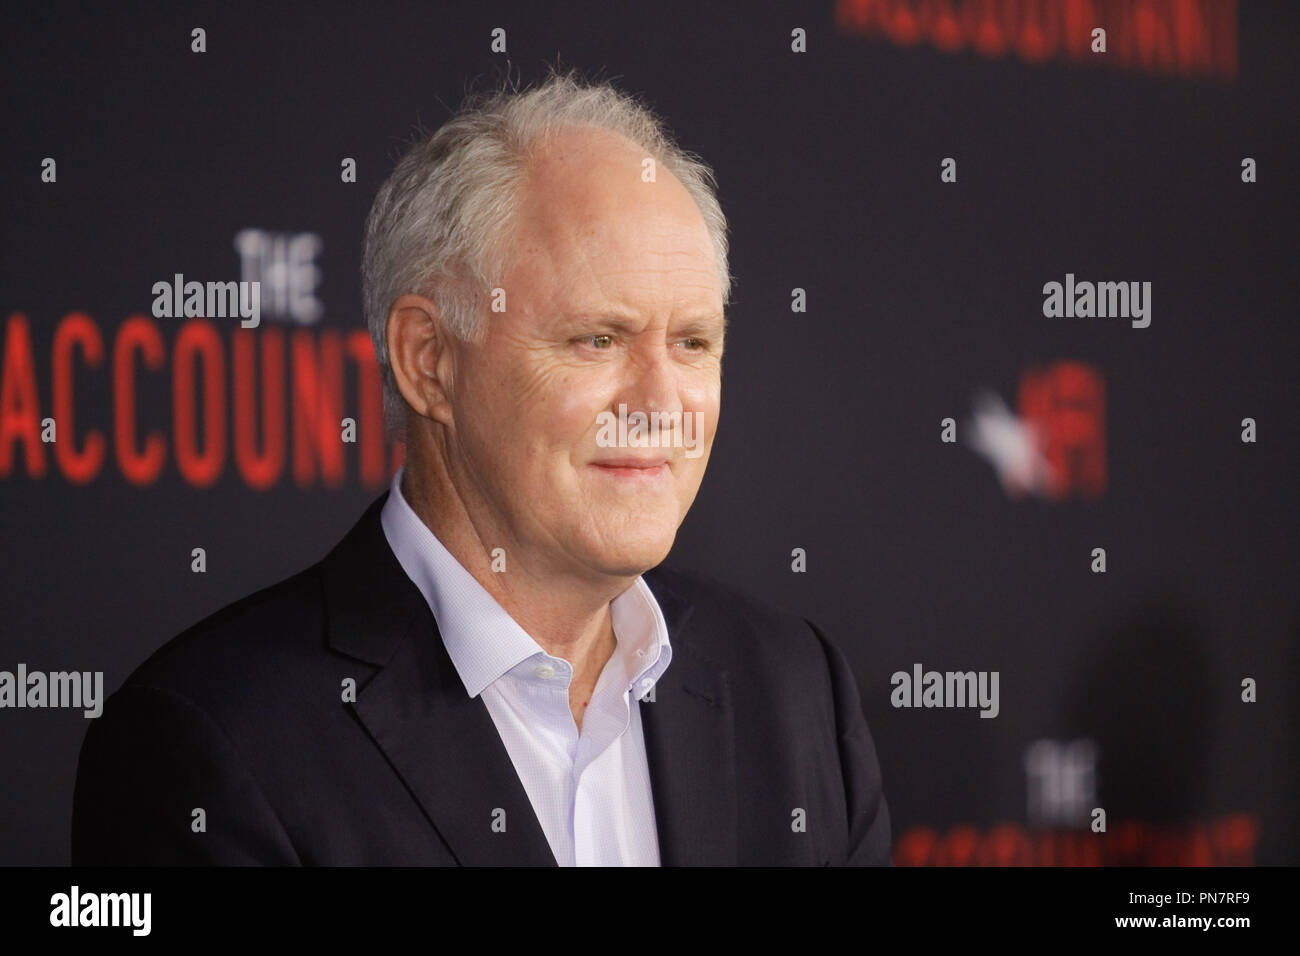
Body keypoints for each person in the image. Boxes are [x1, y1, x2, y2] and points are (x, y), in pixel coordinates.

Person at [71, 69, 892, 866]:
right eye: (597, 339)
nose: (661, 402)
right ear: (429, 360)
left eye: (692, 343)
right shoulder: (214, 743)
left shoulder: (794, 693)